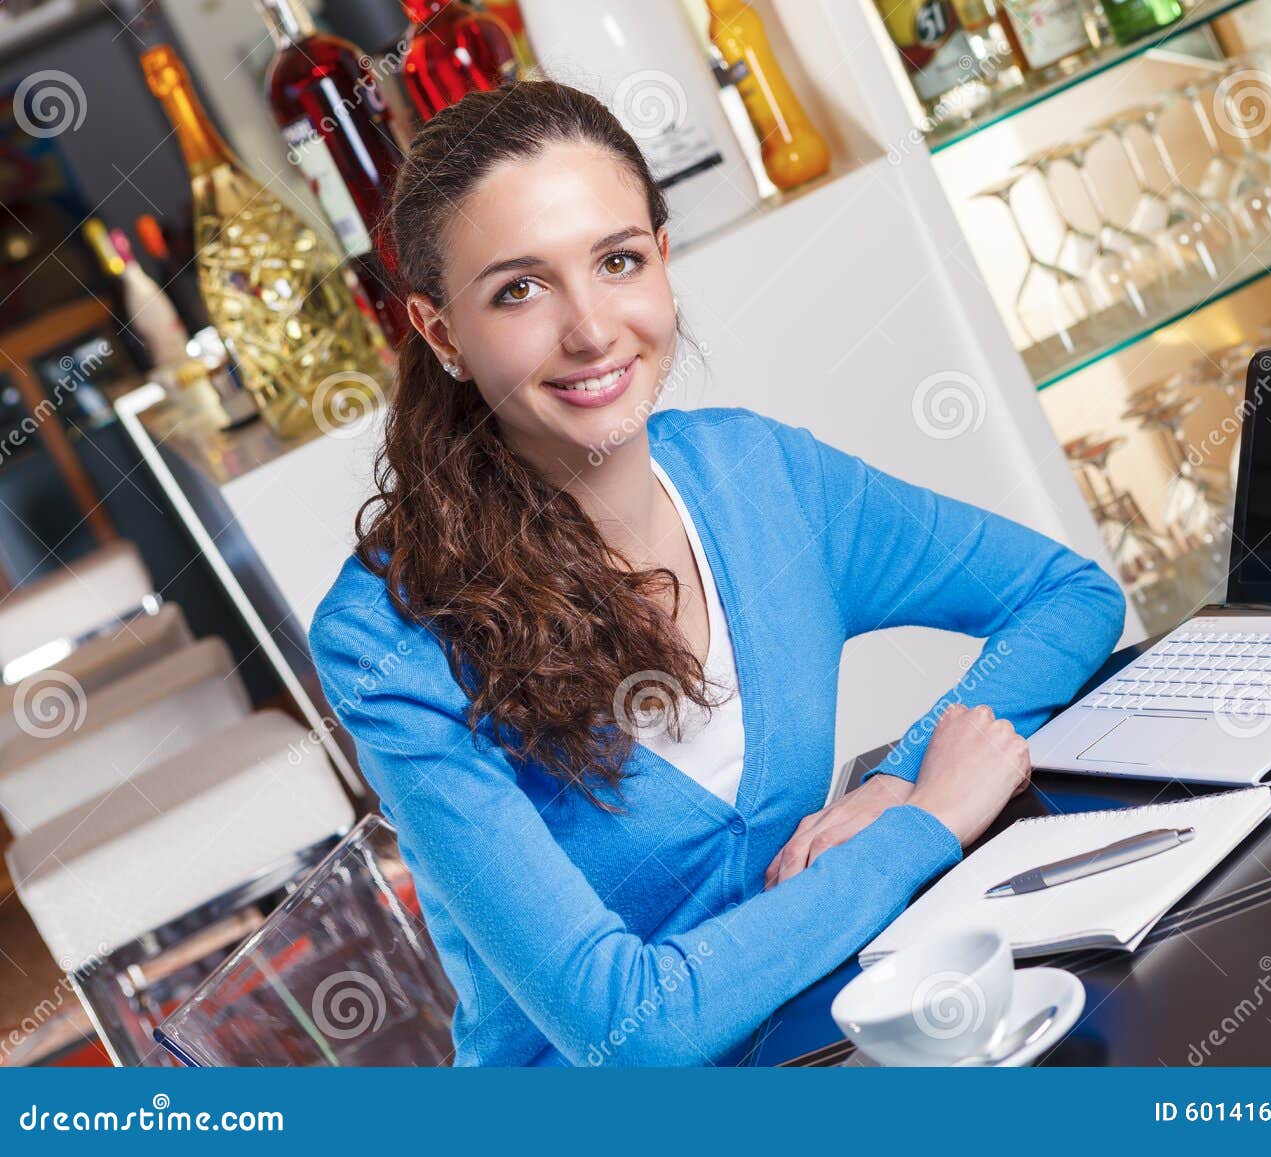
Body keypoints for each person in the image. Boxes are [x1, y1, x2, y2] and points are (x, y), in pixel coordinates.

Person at [307, 80, 1126, 1067]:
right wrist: (922, 822)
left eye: (617, 261)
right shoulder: (389, 640)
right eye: (519, 289)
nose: (590, 329)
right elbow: (634, 1032)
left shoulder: (760, 477)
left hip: (830, 1030)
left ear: (662, 258)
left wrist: (895, 778)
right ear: (440, 332)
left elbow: (1068, 596)